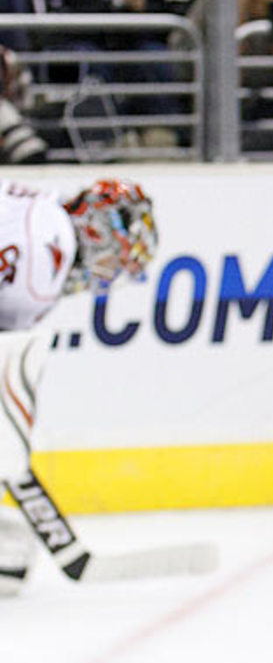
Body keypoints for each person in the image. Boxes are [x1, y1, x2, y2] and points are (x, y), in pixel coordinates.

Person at [0, 177, 156, 594]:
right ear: (97, 231)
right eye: (113, 260)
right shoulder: (43, 270)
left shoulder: (38, 202)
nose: (105, 273)